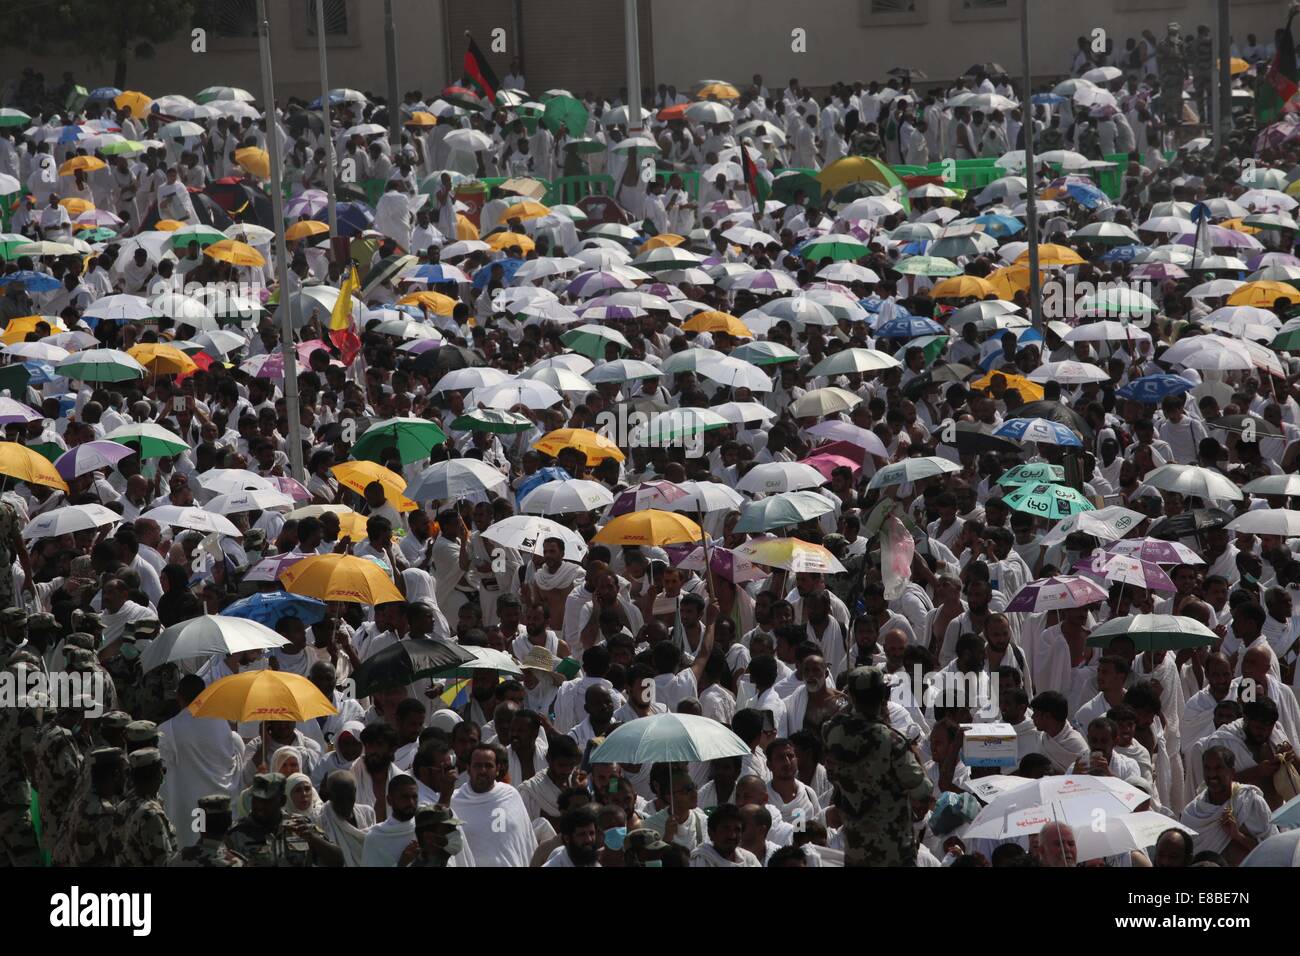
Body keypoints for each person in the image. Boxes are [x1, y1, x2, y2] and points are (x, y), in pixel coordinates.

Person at [822, 667, 930, 866]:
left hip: (856, 848)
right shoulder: (893, 741)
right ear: (883, 698)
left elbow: (834, 722)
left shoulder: (834, 733)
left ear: (852, 697)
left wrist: (849, 704)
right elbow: (923, 789)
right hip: (893, 850)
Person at [224, 772, 343, 867]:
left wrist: (313, 839)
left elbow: (337, 861)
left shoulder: (300, 825)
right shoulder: (236, 833)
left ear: (282, 801)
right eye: (256, 799)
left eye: (267, 801)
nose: (260, 805)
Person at [449, 744, 537, 866]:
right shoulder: (454, 801)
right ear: (468, 768)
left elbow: (526, 841)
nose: (483, 771)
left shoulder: (510, 795)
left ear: (497, 769)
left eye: (488, 766)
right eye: (477, 765)